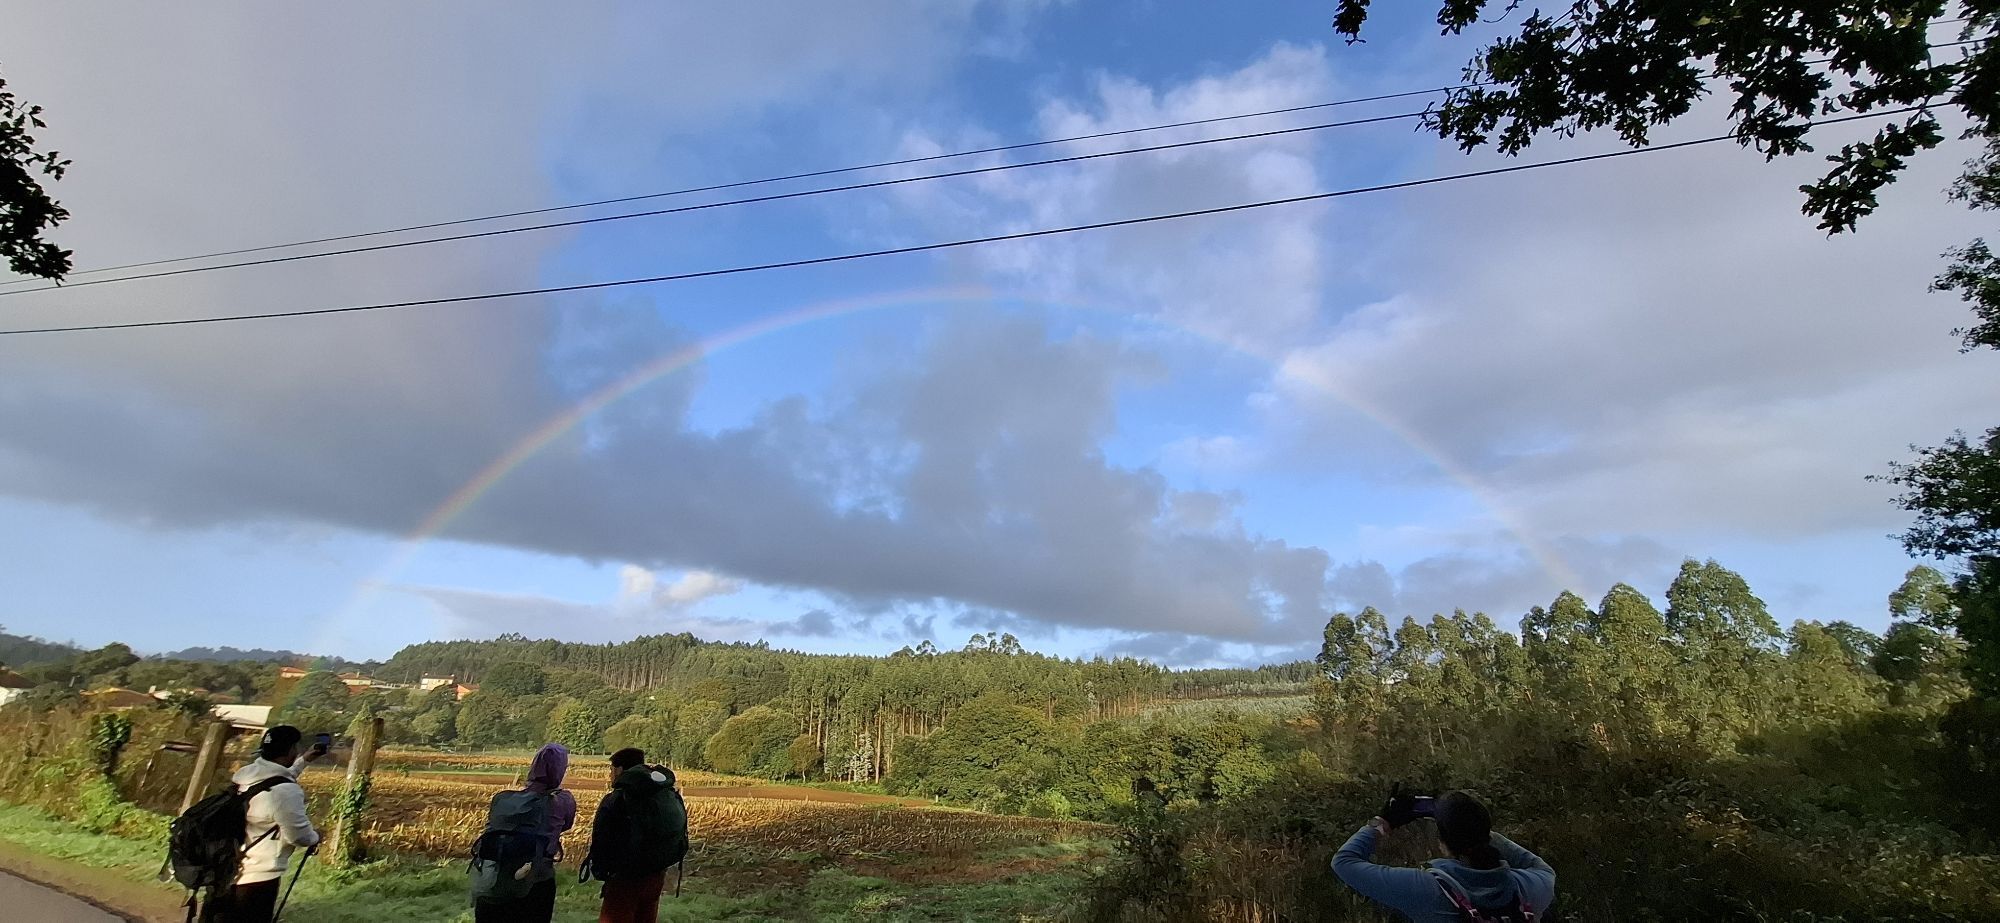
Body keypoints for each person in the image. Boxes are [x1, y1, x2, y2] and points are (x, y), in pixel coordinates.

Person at [1332, 789, 1555, 922]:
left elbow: (1344, 862)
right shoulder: (1528, 888)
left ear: (1442, 843)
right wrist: (1475, 829)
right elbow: (1541, 867)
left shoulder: (1426, 890)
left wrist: (1382, 823)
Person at [201, 725, 328, 923]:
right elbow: (299, 837)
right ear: (291, 750)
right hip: (256, 880)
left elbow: (274, 780)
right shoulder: (286, 792)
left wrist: (304, 761)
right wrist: (317, 836)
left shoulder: (246, 776)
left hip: (223, 872)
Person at [474, 743, 578, 923]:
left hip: (495, 878)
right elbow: (566, 825)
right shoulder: (562, 800)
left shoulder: (501, 798)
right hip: (537, 880)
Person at [586, 748, 689, 923]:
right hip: (656, 873)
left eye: (612, 769)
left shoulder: (618, 798)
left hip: (625, 877)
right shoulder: (661, 793)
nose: (610, 774)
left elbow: (601, 839)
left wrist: (602, 871)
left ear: (619, 770)